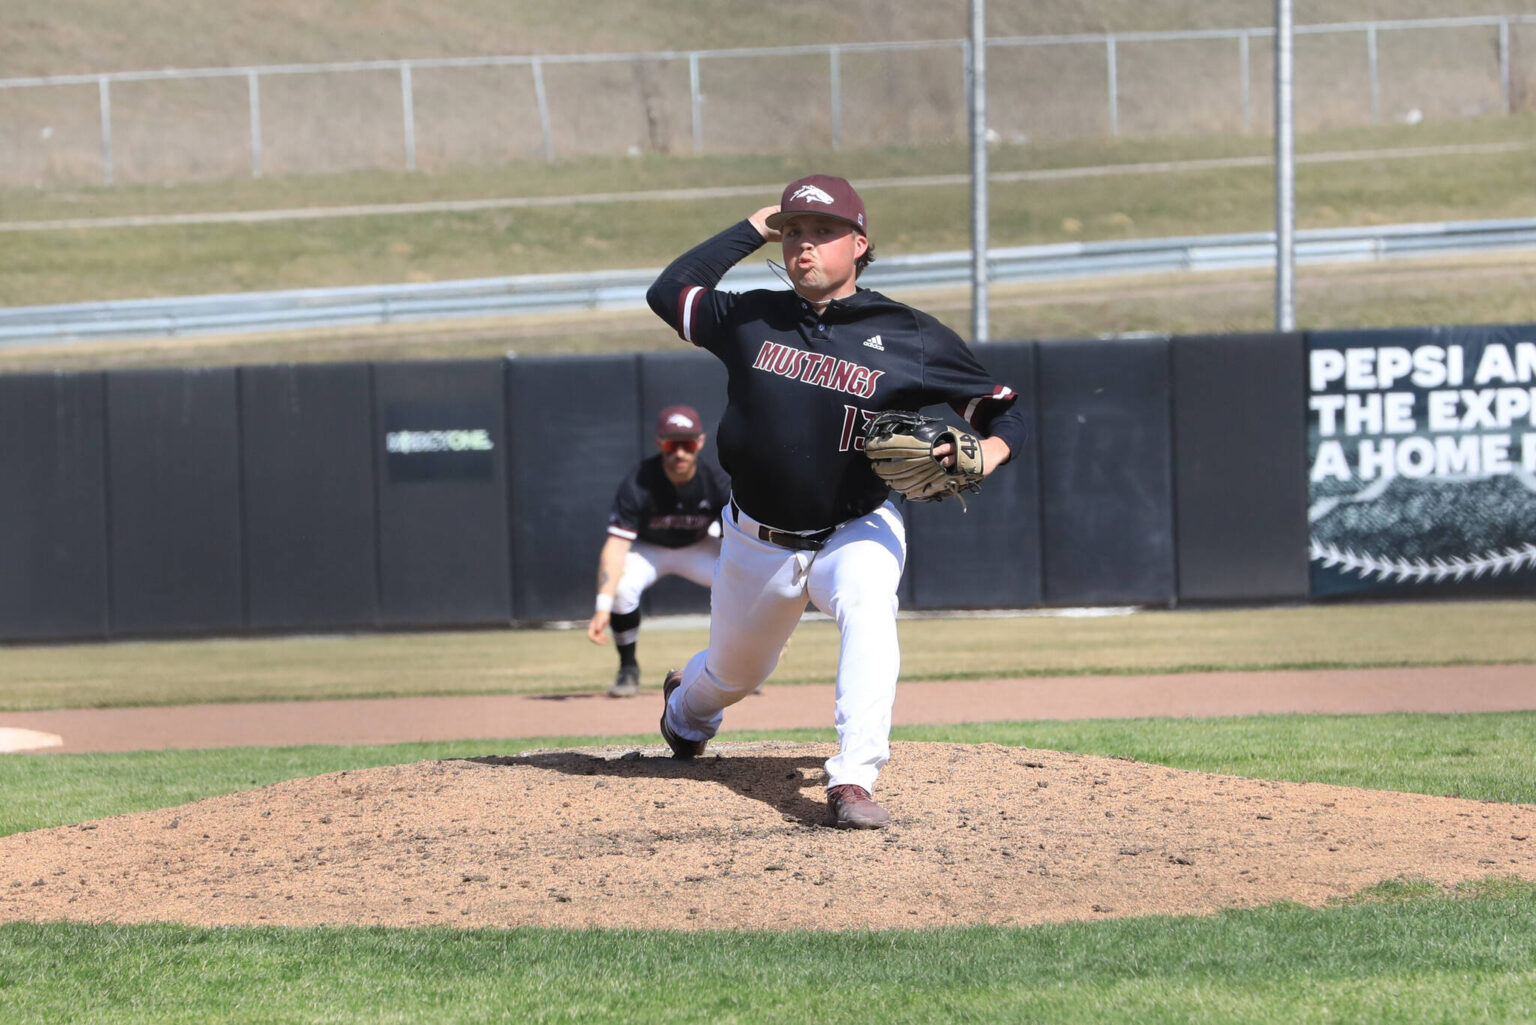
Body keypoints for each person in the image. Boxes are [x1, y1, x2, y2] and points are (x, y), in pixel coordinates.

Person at [644, 174, 1028, 829]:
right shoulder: (749, 317)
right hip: (757, 539)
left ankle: (853, 776)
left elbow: (1002, 412)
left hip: (856, 524)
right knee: (733, 675)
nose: (804, 245)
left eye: (824, 232)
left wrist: (986, 452)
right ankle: (684, 709)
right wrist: (753, 227)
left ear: (860, 244)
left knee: (868, 601)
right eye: (793, 232)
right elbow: (668, 292)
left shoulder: (909, 335)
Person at [587, 405, 731, 698]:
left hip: (699, 546)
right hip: (649, 549)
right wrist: (602, 606)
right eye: (671, 444)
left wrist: (763, 611)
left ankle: (738, 667)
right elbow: (616, 545)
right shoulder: (639, 481)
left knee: (739, 578)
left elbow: (741, 537)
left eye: (687, 444)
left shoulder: (716, 480)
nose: (680, 453)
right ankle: (628, 668)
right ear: (658, 443)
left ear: (700, 442)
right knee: (621, 588)